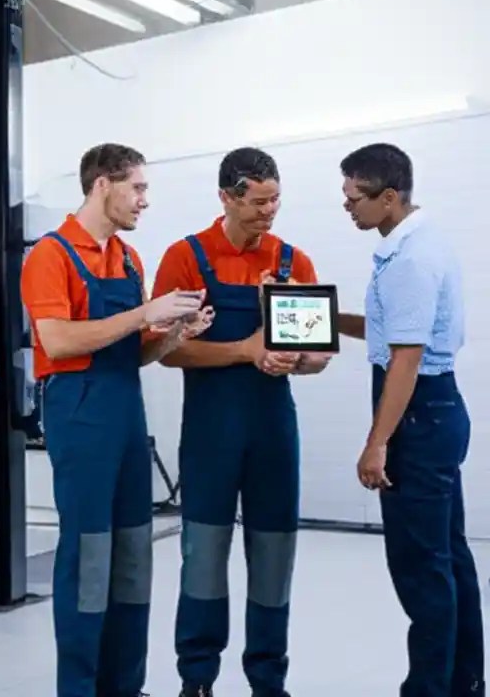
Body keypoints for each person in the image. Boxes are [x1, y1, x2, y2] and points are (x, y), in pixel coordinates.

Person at [22, 142, 213, 697]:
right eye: (138, 187)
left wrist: (173, 334)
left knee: (132, 552)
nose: (144, 201)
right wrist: (144, 313)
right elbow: (55, 341)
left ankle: (123, 688)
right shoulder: (50, 256)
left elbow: (135, 350)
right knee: (88, 555)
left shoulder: (127, 259)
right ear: (102, 184)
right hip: (79, 409)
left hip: (126, 410)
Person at [150, 147, 332, 697]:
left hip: (274, 428)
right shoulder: (184, 258)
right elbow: (163, 351)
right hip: (211, 432)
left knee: (274, 555)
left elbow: (318, 354)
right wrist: (245, 350)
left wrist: (293, 358)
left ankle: (268, 680)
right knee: (204, 554)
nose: (269, 212)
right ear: (226, 196)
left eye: (275, 200)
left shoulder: (291, 261)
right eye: (257, 202)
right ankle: (197, 678)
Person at [334, 143, 483, 697]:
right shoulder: (414, 244)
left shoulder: (412, 259)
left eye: (354, 198)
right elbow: (385, 330)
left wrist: (378, 444)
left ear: (389, 197)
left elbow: (406, 358)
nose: (347, 207)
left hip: (418, 417)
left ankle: (429, 688)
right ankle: (463, 683)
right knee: (448, 558)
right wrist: (312, 311)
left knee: (422, 568)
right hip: (435, 412)